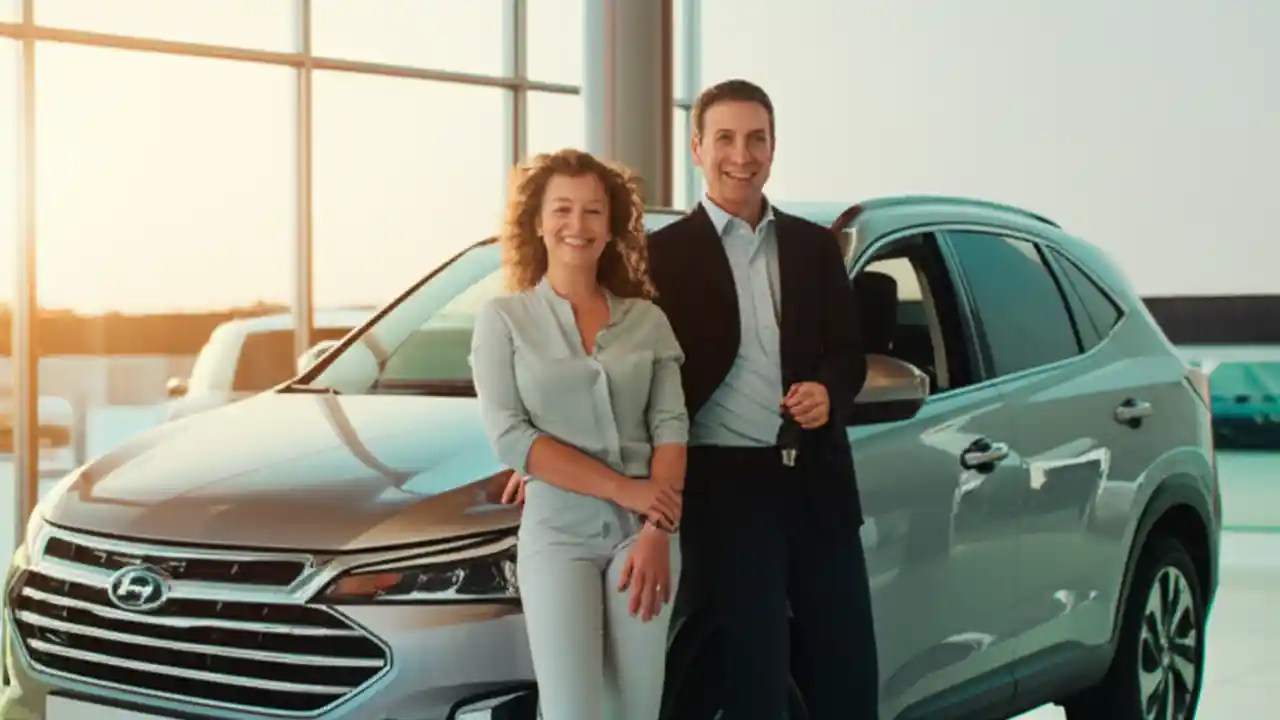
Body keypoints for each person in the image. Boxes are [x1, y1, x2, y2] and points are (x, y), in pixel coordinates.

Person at [648, 79, 879, 718]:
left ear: (774, 149)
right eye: (724, 138)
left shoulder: (812, 246)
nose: (741, 155)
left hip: (819, 484)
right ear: (697, 148)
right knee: (756, 682)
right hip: (725, 492)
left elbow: (849, 352)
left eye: (756, 139)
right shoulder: (659, 258)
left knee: (848, 673)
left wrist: (829, 393)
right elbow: (623, 376)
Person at [470, 148, 690, 720]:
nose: (577, 225)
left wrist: (657, 529)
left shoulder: (648, 321)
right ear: (538, 223)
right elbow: (511, 438)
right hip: (558, 536)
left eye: (593, 211)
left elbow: (671, 427)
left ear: (611, 225)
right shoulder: (503, 320)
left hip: (643, 537)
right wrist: (628, 490)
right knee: (572, 712)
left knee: (637, 709)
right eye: (562, 209)